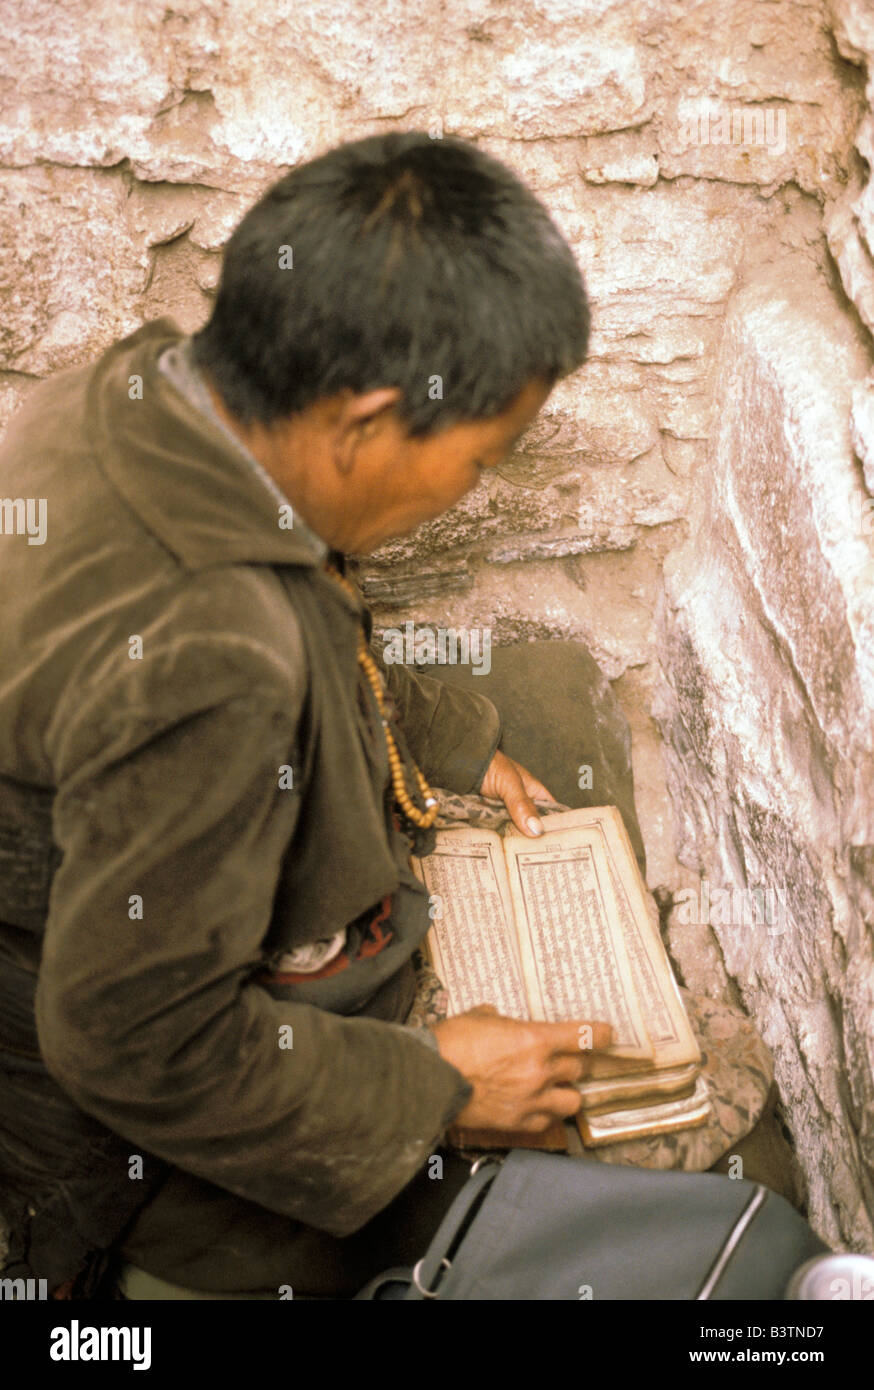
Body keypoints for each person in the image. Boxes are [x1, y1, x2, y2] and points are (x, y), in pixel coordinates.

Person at [0, 131, 798, 1301]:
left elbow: (312, 589)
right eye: (477, 461)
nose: (469, 491)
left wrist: (445, 729)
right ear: (367, 422)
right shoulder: (208, 665)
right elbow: (134, 1041)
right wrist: (438, 1085)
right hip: (117, 1114)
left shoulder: (151, 391)